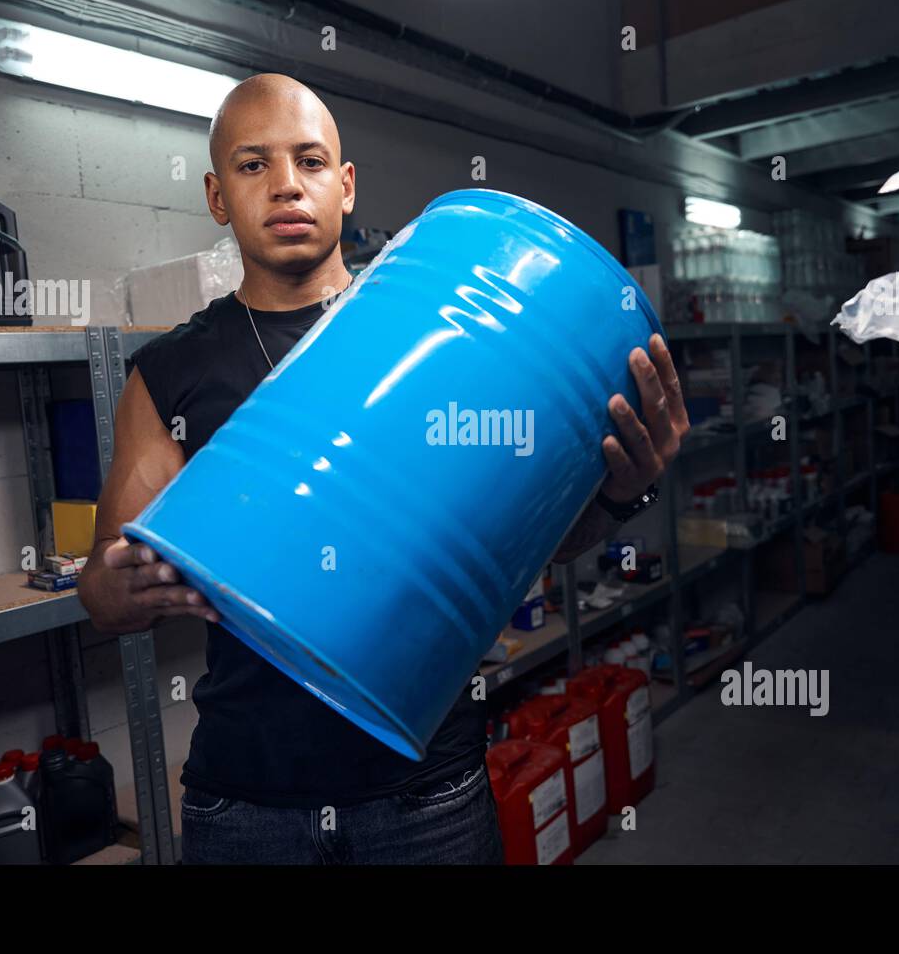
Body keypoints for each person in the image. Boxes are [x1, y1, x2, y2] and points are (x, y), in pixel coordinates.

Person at [76, 73, 690, 864]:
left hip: (424, 790)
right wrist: (122, 587)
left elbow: (524, 549)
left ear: (347, 185)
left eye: (311, 161)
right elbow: (100, 592)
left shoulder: (445, 340)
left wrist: (622, 488)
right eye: (253, 165)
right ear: (217, 196)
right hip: (248, 800)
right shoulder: (168, 373)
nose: (287, 185)